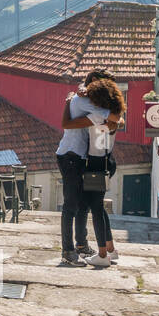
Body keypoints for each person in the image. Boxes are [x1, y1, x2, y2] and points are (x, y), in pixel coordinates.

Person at [55, 69, 116, 266]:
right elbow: (116, 118)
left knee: (81, 204)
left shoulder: (85, 98)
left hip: (77, 155)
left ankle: (80, 245)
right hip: (71, 156)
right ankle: (68, 250)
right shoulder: (88, 102)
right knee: (71, 205)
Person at [67, 78, 126, 267]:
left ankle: (102, 255)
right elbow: (119, 119)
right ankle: (110, 249)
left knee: (97, 210)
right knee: (98, 207)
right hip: (108, 161)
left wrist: (72, 100)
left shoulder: (98, 117)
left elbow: (67, 123)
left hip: (95, 164)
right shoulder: (113, 116)